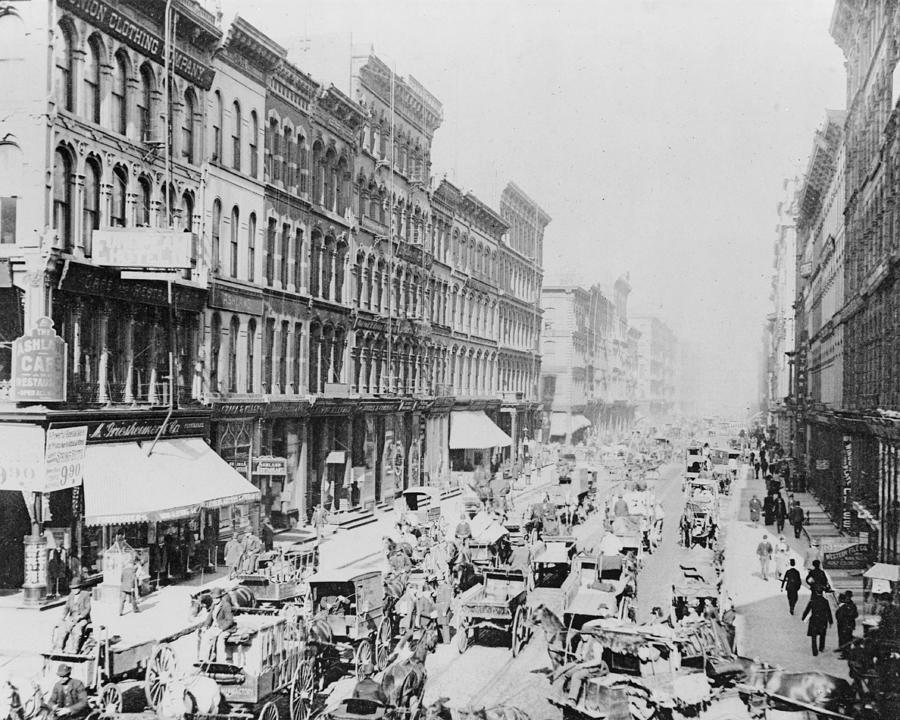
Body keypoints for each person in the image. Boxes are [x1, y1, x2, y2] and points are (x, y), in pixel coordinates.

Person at [52, 577, 91, 653]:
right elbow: (67, 607)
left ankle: (74, 649)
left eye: (76, 588)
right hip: (72, 617)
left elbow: (87, 608)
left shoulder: (85, 594)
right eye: (73, 589)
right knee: (63, 628)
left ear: (80, 587)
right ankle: (58, 648)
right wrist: (63, 615)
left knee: (77, 630)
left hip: (82, 619)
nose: (74, 590)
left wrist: (80, 617)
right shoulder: (71, 595)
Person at [199, 587, 236, 662]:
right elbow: (209, 617)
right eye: (213, 598)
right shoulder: (214, 605)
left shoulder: (226, 605)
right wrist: (205, 626)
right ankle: (203, 659)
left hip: (226, 628)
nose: (214, 600)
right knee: (206, 636)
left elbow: (230, 621)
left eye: (216, 598)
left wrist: (221, 629)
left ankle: (220, 661)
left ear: (220, 598)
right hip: (215, 627)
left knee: (220, 639)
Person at [802, 587, 833, 656]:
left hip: (814, 620)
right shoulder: (825, 601)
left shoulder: (812, 601)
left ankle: (814, 651)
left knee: (814, 636)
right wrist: (830, 621)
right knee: (822, 635)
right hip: (822, 620)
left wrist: (803, 617)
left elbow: (807, 610)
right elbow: (828, 612)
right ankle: (821, 648)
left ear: (816, 592)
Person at [835, 591, 859, 655]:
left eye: (849, 597)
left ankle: (845, 653)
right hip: (841, 623)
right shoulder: (843, 604)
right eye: (846, 596)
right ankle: (841, 648)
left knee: (846, 638)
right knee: (841, 636)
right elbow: (838, 613)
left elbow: (856, 614)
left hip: (848, 624)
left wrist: (849, 616)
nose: (847, 598)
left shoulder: (852, 605)